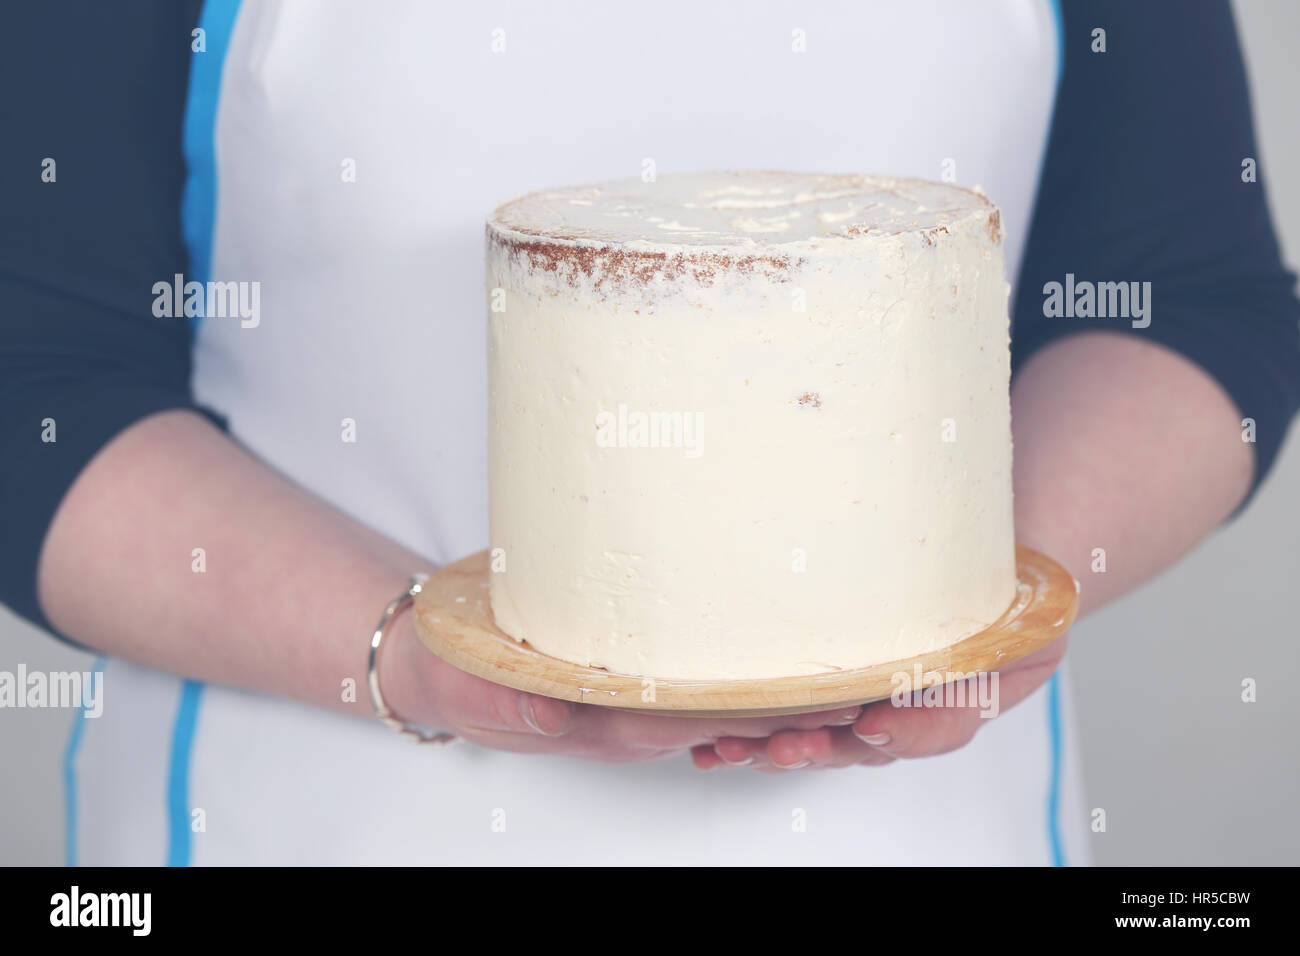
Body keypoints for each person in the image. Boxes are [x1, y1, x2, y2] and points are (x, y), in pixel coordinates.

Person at [2, 0, 1296, 865]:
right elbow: (38, 383)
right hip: (314, 811)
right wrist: (410, 654)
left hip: (926, 829)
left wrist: (966, 598)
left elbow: (1192, 302)